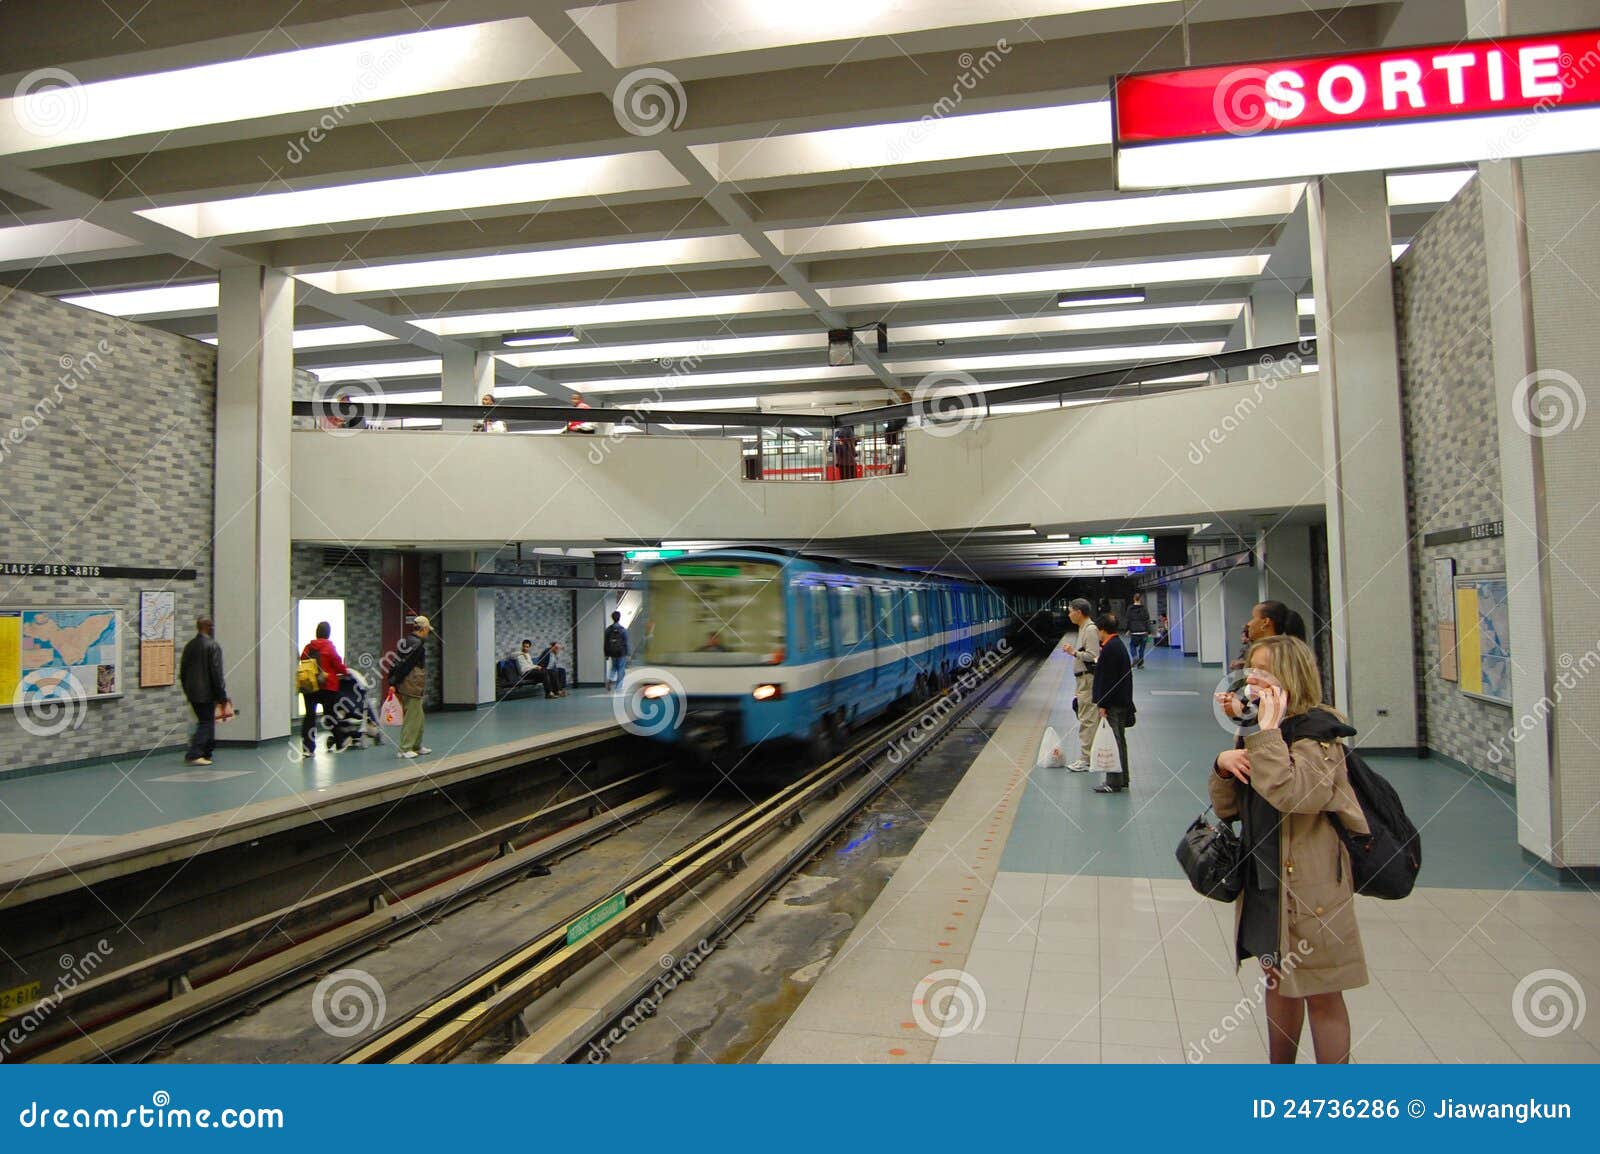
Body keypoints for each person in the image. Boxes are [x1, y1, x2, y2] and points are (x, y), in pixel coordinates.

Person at [1209, 634, 1368, 1064]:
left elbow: (1296, 796)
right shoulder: (1263, 727)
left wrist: (1261, 734)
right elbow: (1232, 807)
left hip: (1311, 885)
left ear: (1289, 678)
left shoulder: (1320, 733)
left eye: (1263, 673)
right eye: (1251, 672)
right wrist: (1224, 765)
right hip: (1264, 876)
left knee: (1319, 989)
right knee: (1276, 979)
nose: (1252, 681)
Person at [1090, 612, 1134, 794]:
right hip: (1121, 701)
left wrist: (1103, 705)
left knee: (1113, 742)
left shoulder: (1110, 649)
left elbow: (1108, 680)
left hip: (1113, 705)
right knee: (1120, 741)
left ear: (1102, 630)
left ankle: (1113, 782)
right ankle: (1122, 779)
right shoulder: (1118, 645)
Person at [179, 617, 230, 766]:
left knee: (206, 721)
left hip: (193, 692)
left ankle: (207, 752)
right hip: (207, 693)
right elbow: (216, 672)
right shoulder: (212, 646)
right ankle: (195, 753)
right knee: (206, 722)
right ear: (208, 627)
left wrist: (187, 690)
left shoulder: (189, 645)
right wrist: (222, 695)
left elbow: (183, 671)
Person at [1059, 598, 1101, 771]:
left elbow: (1093, 655)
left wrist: (1073, 652)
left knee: (1087, 720)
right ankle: (1088, 756)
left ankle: (1087, 759)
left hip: (1087, 679)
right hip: (1082, 680)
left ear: (1079, 612)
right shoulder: (1083, 628)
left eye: (1070, 611)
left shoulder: (1090, 629)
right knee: (1086, 717)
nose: (1068, 614)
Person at [299, 622, 349, 756]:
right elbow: (338, 665)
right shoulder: (329, 647)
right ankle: (340, 742)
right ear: (328, 633)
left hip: (310, 686)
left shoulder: (308, 648)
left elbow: (302, 660)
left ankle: (308, 749)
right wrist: (345, 672)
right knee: (330, 715)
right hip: (327, 686)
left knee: (309, 717)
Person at [389, 615, 433, 759]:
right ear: (424, 629)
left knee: (418, 716)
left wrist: (393, 681)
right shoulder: (417, 646)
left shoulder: (406, 641)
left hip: (411, 685)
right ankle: (405, 748)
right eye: (428, 630)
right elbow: (405, 665)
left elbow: (396, 662)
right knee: (412, 716)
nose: (428, 633)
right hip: (411, 685)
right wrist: (394, 682)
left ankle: (416, 745)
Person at [603, 611, 630, 690]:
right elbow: (626, 642)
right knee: (621, 668)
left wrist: (606, 654)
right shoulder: (623, 630)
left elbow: (606, 643)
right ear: (619, 618)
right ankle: (618, 687)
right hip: (621, 652)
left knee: (614, 667)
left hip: (612, 652)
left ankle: (610, 680)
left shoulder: (608, 630)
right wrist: (628, 653)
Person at [1125, 592, 1152, 668]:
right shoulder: (1144, 609)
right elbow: (1147, 620)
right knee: (1142, 648)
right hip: (1143, 632)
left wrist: (1128, 629)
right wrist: (1149, 631)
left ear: (1134, 599)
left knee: (1132, 645)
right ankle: (1140, 664)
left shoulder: (1130, 608)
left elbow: (1128, 620)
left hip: (1134, 632)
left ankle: (1134, 656)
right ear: (1140, 599)